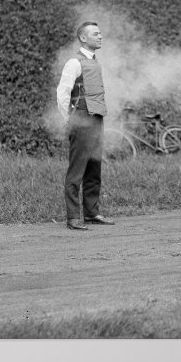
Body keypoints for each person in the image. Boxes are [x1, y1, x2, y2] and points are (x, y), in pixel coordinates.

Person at [54, 22, 115, 230]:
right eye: (95, 34)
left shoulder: (95, 61)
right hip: (81, 118)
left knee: (94, 167)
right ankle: (73, 217)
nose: (100, 36)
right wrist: (68, 120)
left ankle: (91, 213)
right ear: (83, 38)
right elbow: (62, 93)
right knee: (77, 170)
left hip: (96, 118)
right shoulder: (74, 62)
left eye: (100, 33)